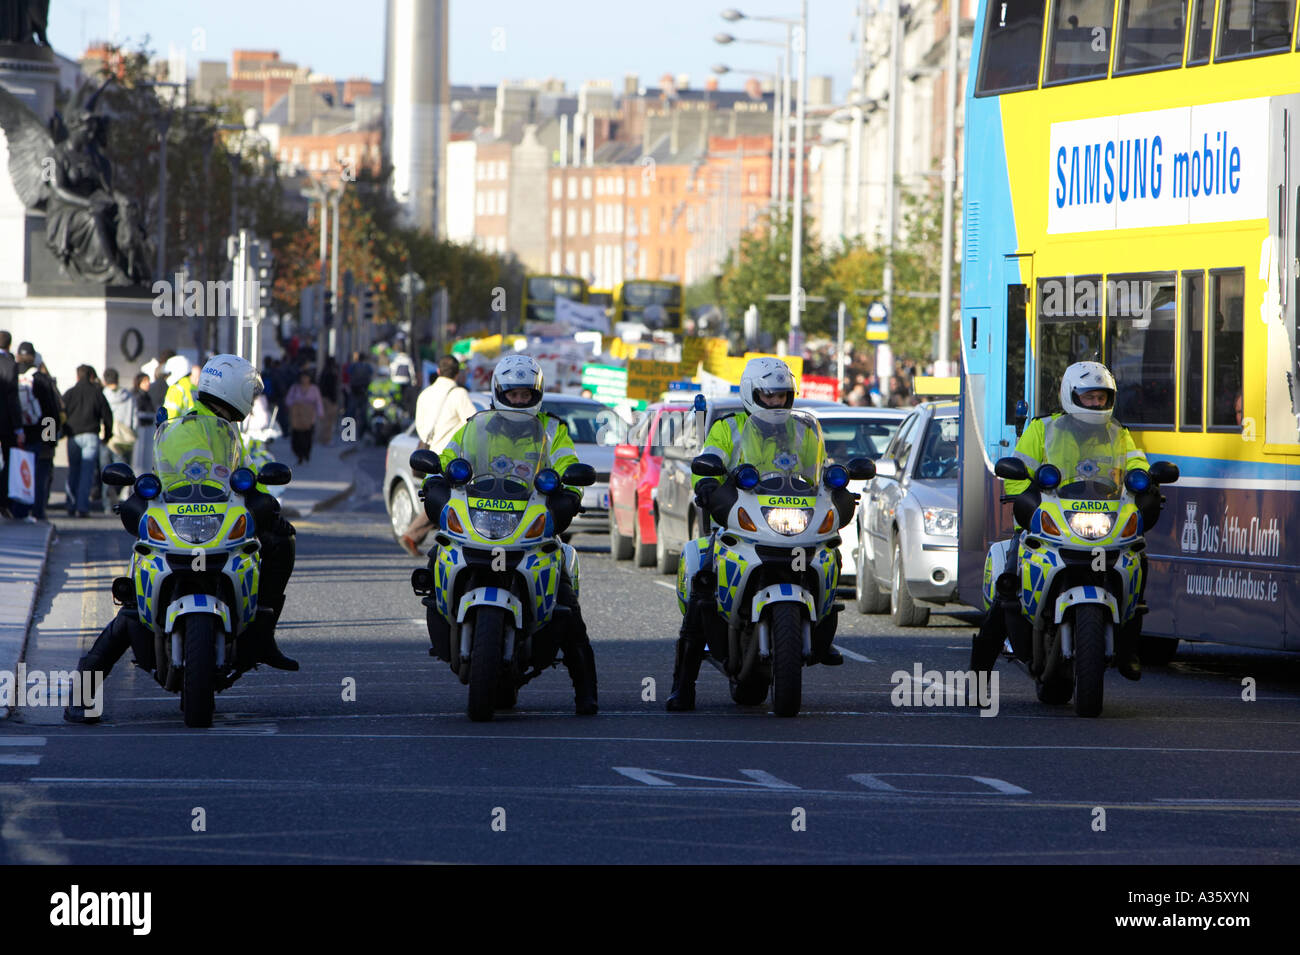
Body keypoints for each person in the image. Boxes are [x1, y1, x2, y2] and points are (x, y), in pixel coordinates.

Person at [65, 354, 299, 723]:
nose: (251, 403)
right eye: (248, 394)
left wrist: (267, 502)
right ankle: (81, 694)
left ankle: (262, 629)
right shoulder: (190, 424)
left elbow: (244, 472)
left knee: (281, 542)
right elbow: (189, 469)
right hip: (179, 518)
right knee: (132, 608)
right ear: (234, 390)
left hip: (215, 520)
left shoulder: (225, 428)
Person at [666, 357, 854, 711]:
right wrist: (708, 485)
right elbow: (709, 461)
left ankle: (824, 633)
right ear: (753, 394)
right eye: (768, 395)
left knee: (832, 552)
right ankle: (682, 685)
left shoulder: (803, 431)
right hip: (745, 517)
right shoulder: (729, 427)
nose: (776, 402)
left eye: (782, 396)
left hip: (792, 516)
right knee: (703, 578)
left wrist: (836, 485)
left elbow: (820, 469)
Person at [420, 355, 598, 715]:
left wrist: (568, 496)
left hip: (529, 522)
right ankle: (440, 609)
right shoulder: (475, 427)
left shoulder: (553, 430)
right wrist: (434, 481)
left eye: (525, 394)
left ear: (537, 394)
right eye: (512, 394)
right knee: (435, 556)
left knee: (566, 597)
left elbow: (568, 466)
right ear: (499, 392)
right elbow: (445, 460)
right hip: (481, 519)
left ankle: (586, 691)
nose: (519, 401)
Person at [970, 361, 1152, 683]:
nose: (1096, 403)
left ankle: (1129, 647)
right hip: (1049, 521)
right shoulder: (1044, 429)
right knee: (1007, 584)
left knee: (1139, 557)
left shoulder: (1119, 434)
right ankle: (979, 674)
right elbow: (1016, 472)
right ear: (1071, 395)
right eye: (1089, 396)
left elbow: (1138, 469)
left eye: (1102, 397)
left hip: (1099, 521)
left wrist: (1145, 483)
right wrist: (1031, 503)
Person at [399, 355, 477, 556]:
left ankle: (418, 537)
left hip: (427, 454)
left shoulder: (425, 393)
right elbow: (474, 423)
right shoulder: (459, 394)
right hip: (449, 457)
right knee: (448, 498)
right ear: (458, 374)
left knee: (439, 495)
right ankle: (413, 535)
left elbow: (420, 425)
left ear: (439, 371)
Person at [12, 343, 60, 521]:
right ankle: (37, 511)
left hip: (15, 434)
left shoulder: (10, 373)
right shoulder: (40, 378)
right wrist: (50, 439)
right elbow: (50, 412)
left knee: (17, 473)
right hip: (37, 434)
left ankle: (18, 510)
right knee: (39, 476)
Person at [61, 365, 112, 518]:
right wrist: (107, 436)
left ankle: (71, 504)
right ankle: (83, 507)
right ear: (91, 376)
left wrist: (56, 434)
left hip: (73, 437)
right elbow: (107, 415)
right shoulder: (97, 393)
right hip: (91, 435)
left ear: (77, 376)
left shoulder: (69, 393)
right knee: (87, 473)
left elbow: (59, 413)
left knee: (73, 471)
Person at [100, 368, 137, 508]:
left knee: (105, 471)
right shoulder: (127, 395)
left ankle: (106, 504)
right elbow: (135, 417)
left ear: (105, 380)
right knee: (123, 472)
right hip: (123, 439)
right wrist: (133, 431)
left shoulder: (103, 395)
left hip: (105, 437)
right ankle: (119, 498)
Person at [0, 331, 25, 518]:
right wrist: (19, 427)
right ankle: (4, 502)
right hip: (6, 422)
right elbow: (12, 397)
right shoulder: (10, 364)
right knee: (8, 463)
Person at [286, 370, 324, 465]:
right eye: (303, 377)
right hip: (297, 417)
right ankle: (299, 455)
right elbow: (288, 400)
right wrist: (295, 404)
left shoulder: (314, 389)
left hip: (309, 417)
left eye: (306, 377)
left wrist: (320, 413)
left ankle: (306, 454)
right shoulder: (295, 388)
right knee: (296, 438)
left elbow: (318, 401)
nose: (304, 379)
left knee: (307, 437)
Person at [161, 354, 197, 418]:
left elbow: (169, 418)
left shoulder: (175, 389)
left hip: (180, 427)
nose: (166, 377)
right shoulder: (195, 389)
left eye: (169, 373)